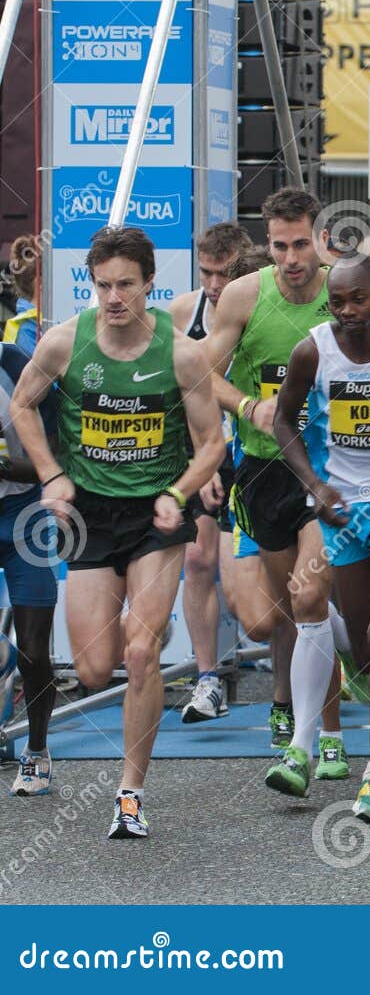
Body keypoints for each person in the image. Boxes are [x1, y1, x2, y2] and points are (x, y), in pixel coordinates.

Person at [11, 227, 225, 838]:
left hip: (156, 516)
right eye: (102, 285)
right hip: (87, 517)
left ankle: (129, 794)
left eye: (125, 285)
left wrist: (178, 493)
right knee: (96, 668)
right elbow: (23, 405)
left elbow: (212, 442)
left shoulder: (180, 354)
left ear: (149, 284)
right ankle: (143, 633)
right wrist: (52, 474)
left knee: (139, 650)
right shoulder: (64, 343)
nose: (113, 297)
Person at [269, 254, 370, 821]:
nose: (347, 311)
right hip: (342, 505)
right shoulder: (314, 350)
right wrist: (315, 485)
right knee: (364, 648)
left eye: (357, 299)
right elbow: (282, 421)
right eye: (337, 302)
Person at [205, 190, 338, 757]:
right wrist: (246, 407)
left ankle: (325, 735)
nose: (291, 258)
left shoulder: (346, 288)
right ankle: (287, 701)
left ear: (321, 238)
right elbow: (201, 375)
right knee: (280, 612)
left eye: (301, 243)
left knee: (311, 599)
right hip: (264, 468)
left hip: (331, 467)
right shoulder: (241, 296)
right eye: (280, 246)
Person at [169, 222, 255, 724]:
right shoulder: (185, 312)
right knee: (198, 561)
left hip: (259, 447)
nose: (216, 285)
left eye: (224, 273)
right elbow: (178, 392)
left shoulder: (259, 303)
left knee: (257, 601)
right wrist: (197, 464)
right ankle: (207, 680)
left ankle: (326, 648)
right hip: (206, 451)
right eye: (207, 273)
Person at [1, 338, 59, 796]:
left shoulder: (17, 363)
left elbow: (52, 460)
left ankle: (37, 751)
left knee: (34, 652)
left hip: (24, 517)